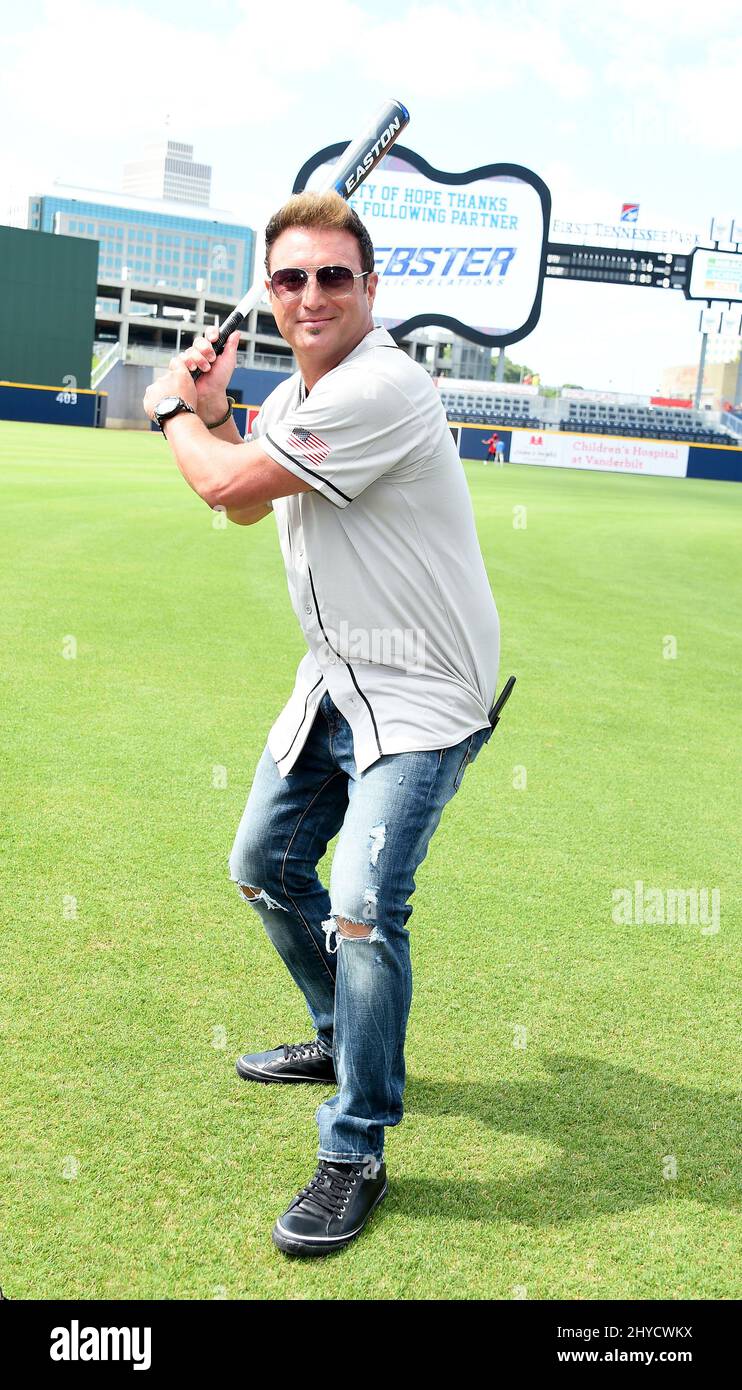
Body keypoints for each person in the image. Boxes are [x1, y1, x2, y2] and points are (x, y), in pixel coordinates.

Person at [143, 192, 500, 1257]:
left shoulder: (380, 385)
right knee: (260, 864)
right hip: (339, 680)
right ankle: (345, 1036)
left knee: (361, 907)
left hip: (425, 696)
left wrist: (172, 409)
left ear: (369, 289)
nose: (309, 294)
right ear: (271, 289)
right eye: (289, 277)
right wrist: (213, 412)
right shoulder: (310, 391)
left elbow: (220, 489)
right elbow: (250, 500)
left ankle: (356, 1147)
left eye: (332, 276)